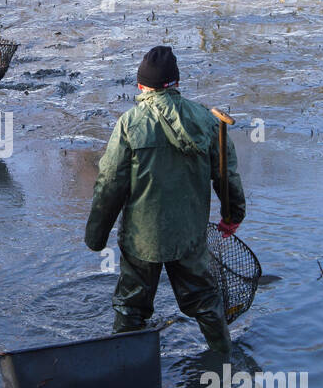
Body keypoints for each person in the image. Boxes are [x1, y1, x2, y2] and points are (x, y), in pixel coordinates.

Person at [84, 46, 246, 351]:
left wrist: (96, 235)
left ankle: (126, 367)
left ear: (142, 86)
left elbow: (109, 185)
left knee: (131, 308)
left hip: (143, 239)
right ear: (176, 83)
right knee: (205, 301)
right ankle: (224, 362)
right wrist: (232, 216)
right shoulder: (209, 122)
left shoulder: (129, 124)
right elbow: (227, 176)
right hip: (189, 235)